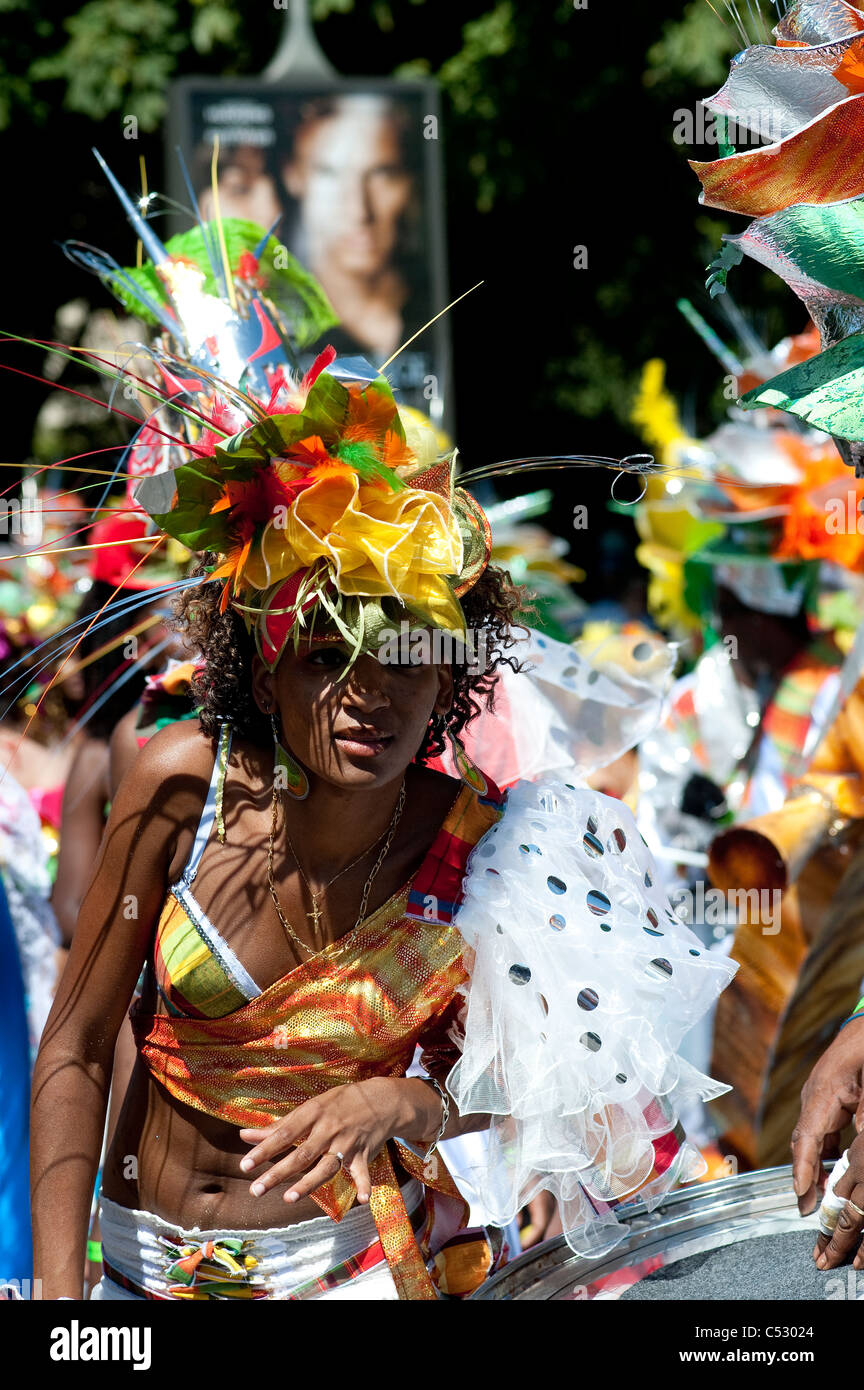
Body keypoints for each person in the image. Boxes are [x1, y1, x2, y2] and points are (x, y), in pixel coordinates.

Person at [29, 348, 735, 1301]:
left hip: (347, 1277)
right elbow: (73, 1047)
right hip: (137, 1274)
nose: (370, 698)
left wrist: (409, 1100)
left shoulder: (493, 850)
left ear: (448, 676)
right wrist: (59, 1304)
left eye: (407, 660)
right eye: (327, 658)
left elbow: (555, 1083)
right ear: (263, 669)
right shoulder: (182, 791)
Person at [281, 95, 419, 361]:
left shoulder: (437, 312)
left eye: (383, 174)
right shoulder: (272, 324)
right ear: (293, 175)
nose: (358, 211)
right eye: (329, 174)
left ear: (409, 185)